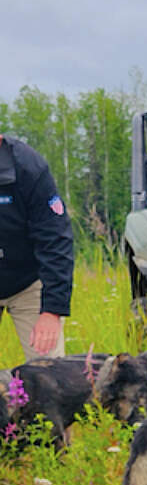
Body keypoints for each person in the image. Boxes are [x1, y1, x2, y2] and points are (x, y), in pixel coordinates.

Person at [0, 133, 74, 357]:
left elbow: (55, 239)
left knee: (49, 371)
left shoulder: (28, 167)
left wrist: (52, 311)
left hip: (28, 283)